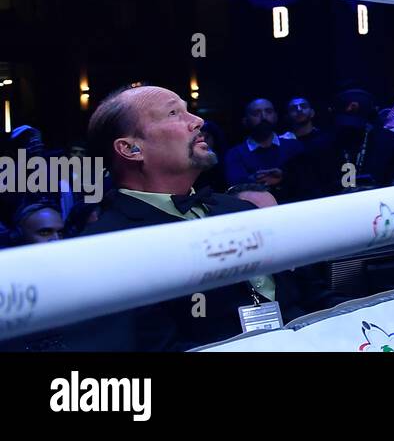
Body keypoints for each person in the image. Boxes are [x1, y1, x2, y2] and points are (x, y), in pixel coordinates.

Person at [70, 84, 312, 350]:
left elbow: (307, 295)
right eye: (174, 113)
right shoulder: (105, 247)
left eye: (189, 111)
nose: (198, 121)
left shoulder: (238, 210)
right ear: (131, 148)